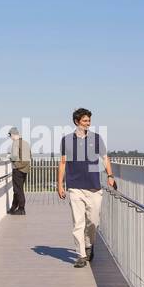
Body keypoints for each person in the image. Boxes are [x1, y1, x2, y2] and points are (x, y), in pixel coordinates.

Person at [57, 107, 116, 268]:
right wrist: (60, 184)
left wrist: (110, 176)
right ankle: (81, 255)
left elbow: (105, 158)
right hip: (75, 186)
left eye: (89, 121)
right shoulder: (66, 140)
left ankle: (89, 244)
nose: (88, 123)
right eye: (85, 121)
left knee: (93, 222)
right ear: (77, 122)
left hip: (94, 187)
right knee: (78, 223)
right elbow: (62, 163)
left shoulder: (97, 139)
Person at [7, 127, 30, 214]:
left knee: (18, 190)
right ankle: (14, 207)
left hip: (18, 169)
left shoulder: (15, 143)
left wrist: (9, 157)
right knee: (18, 188)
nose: (10, 138)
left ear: (12, 134)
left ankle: (21, 209)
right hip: (25, 168)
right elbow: (29, 155)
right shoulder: (25, 143)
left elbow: (14, 156)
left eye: (10, 136)